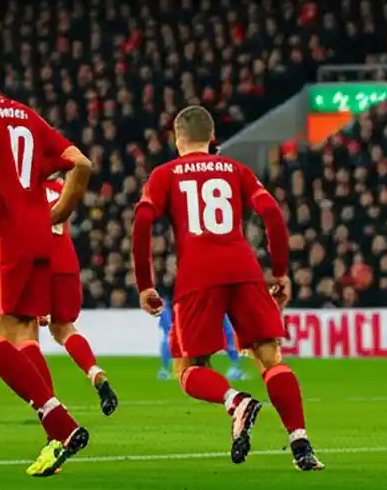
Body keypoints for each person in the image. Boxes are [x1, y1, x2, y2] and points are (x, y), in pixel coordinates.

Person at [132, 105, 323, 471]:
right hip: (243, 267)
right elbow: (272, 215)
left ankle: (235, 401)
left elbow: (142, 219)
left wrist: (145, 284)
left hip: (198, 274)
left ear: (176, 137)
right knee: (271, 359)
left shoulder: (165, 174)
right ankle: (300, 442)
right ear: (213, 136)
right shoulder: (237, 170)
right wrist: (280, 272)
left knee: (188, 371)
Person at [0, 35, 92, 477]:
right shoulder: (26, 115)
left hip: (2, 235)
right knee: (18, 336)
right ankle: (54, 437)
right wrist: (58, 211)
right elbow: (81, 164)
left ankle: (61, 423)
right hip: (38, 235)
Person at [42, 176, 118, 415]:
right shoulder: (61, 187)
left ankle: (48, 402)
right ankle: (96, 373)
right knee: (64, 328)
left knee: (24, 336)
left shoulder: (23, 187)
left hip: (38, 263)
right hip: (65, 261)